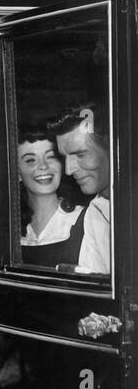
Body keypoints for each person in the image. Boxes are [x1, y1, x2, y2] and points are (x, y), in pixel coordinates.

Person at [49, 101, 111, 275]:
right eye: (65, 158)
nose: (69, 170)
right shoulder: (95, 212)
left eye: (81, 154)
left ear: (112, 148)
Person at [16, 125, 86, 268]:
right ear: (17, 172)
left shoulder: (87, 219)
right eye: (30, 160)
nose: (43, 166)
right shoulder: (10, 230)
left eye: (51, 157)